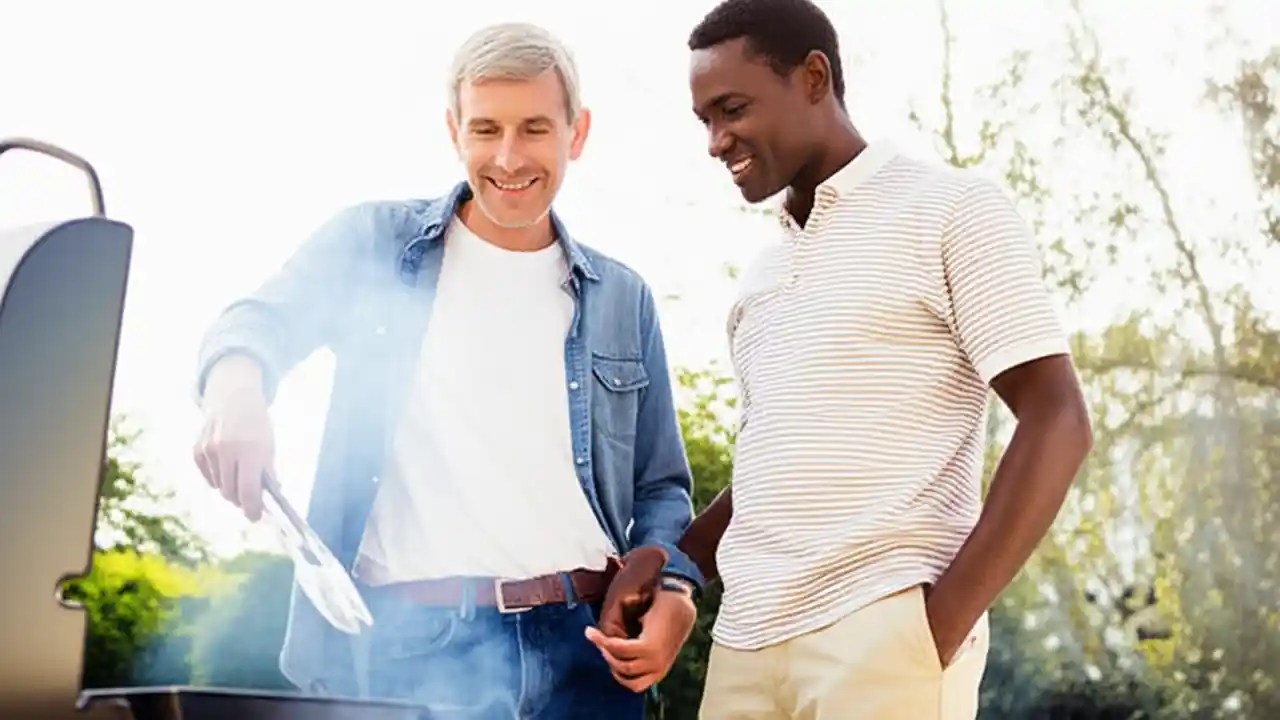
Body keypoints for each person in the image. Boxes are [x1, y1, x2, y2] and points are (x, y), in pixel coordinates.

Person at [590, 1, 1095, 718]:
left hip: (881, 634)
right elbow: (774, 472)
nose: (714, 140)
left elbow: (1058, 419)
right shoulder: (763, 275)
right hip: (746, 646)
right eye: (703, 119)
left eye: (732, 108)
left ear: (814, 77)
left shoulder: (951, 209)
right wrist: (678, 563)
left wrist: (936, 628)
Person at [191, 22, 703, 718]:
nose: (509, 155)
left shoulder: (622, 298)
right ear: (452, 129)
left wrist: (674, 589)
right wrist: (237, 392)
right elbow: (255, 322)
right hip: (415, 651)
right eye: (485, 128)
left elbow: (662, 487)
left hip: (588, 654)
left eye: (534, 129)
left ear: (576, 133)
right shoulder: (376, 245)